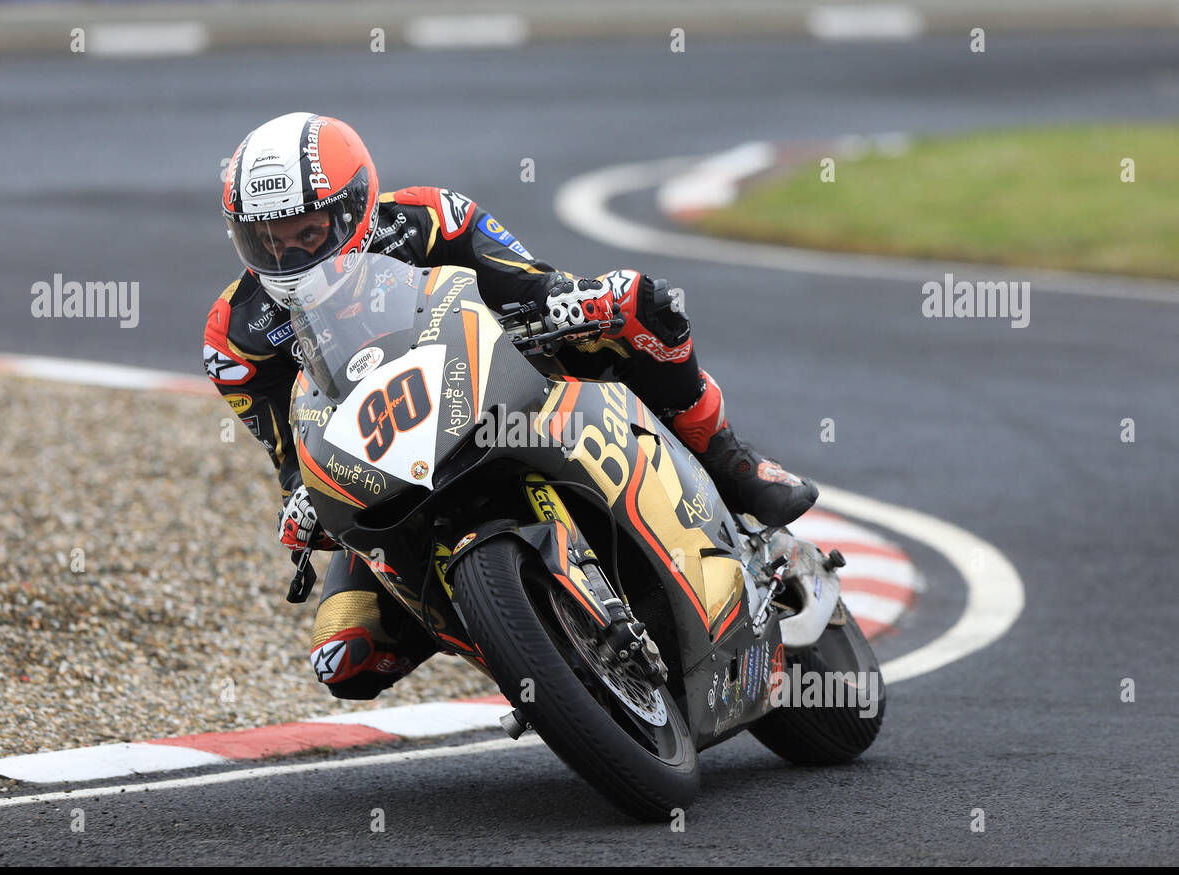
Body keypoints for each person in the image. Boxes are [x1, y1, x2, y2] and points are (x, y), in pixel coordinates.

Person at [206, 112, 816, 699]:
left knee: (637, 304)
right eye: (266, 239)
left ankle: (730, 461)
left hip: (507, 386)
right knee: (343, 657)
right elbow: (289, 452)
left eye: (307, 232)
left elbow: (531, 283)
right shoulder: (234, 337)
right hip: (390, 464)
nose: (288, 255)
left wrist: (577, 302)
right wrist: (299, 499)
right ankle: (507, 634)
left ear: (352, 211)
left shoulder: (428, 218)